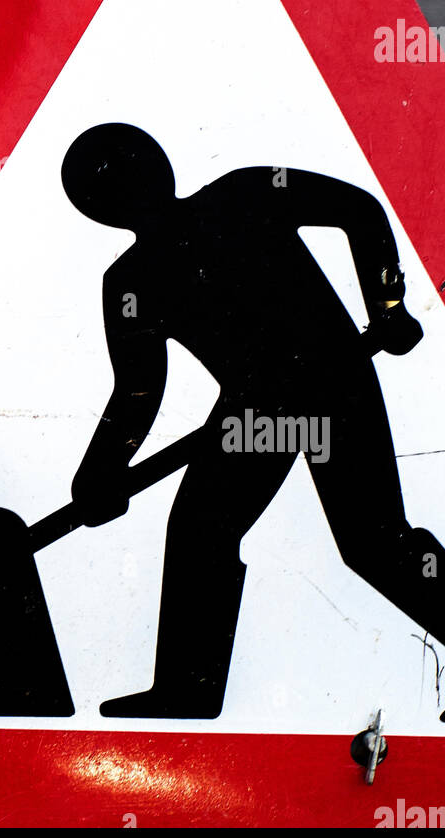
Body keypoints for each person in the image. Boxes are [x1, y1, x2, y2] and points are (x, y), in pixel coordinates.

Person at [62, 122, 443, 719]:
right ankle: (188, 689)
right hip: (261, 408)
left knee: (374, 545)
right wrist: (101, 472)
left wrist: (387, 306)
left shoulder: (242, 196)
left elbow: (359, 208)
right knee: (206, 534)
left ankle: (188, 688)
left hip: (321, 386)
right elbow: (138, 391)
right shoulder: (137, 276)